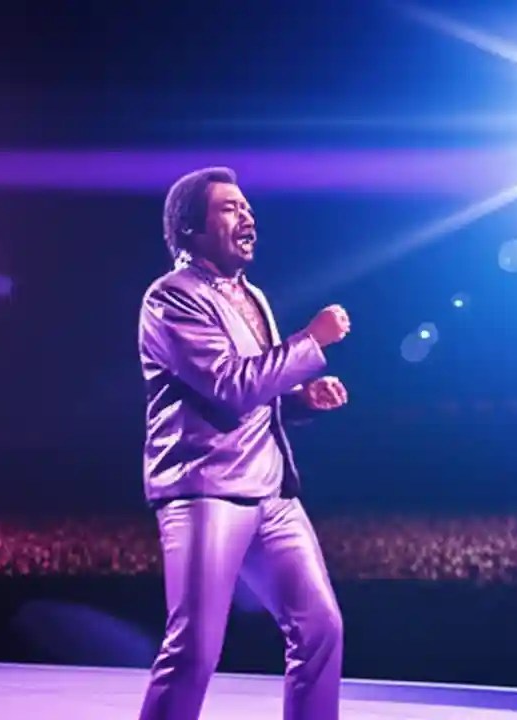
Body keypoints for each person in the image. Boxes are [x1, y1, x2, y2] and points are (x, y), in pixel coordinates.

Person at [137, 166, 350, 720]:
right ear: (190, 229)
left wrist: (301, 399)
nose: (247, 215)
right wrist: (311, 341)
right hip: (206, 488)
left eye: (247, 206)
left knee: (320, 627)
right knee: (194, 649)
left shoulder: (250, 295)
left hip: (272, 490)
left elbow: (260, 386)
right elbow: (230, 385)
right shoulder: (171, 298)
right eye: (230, 208)